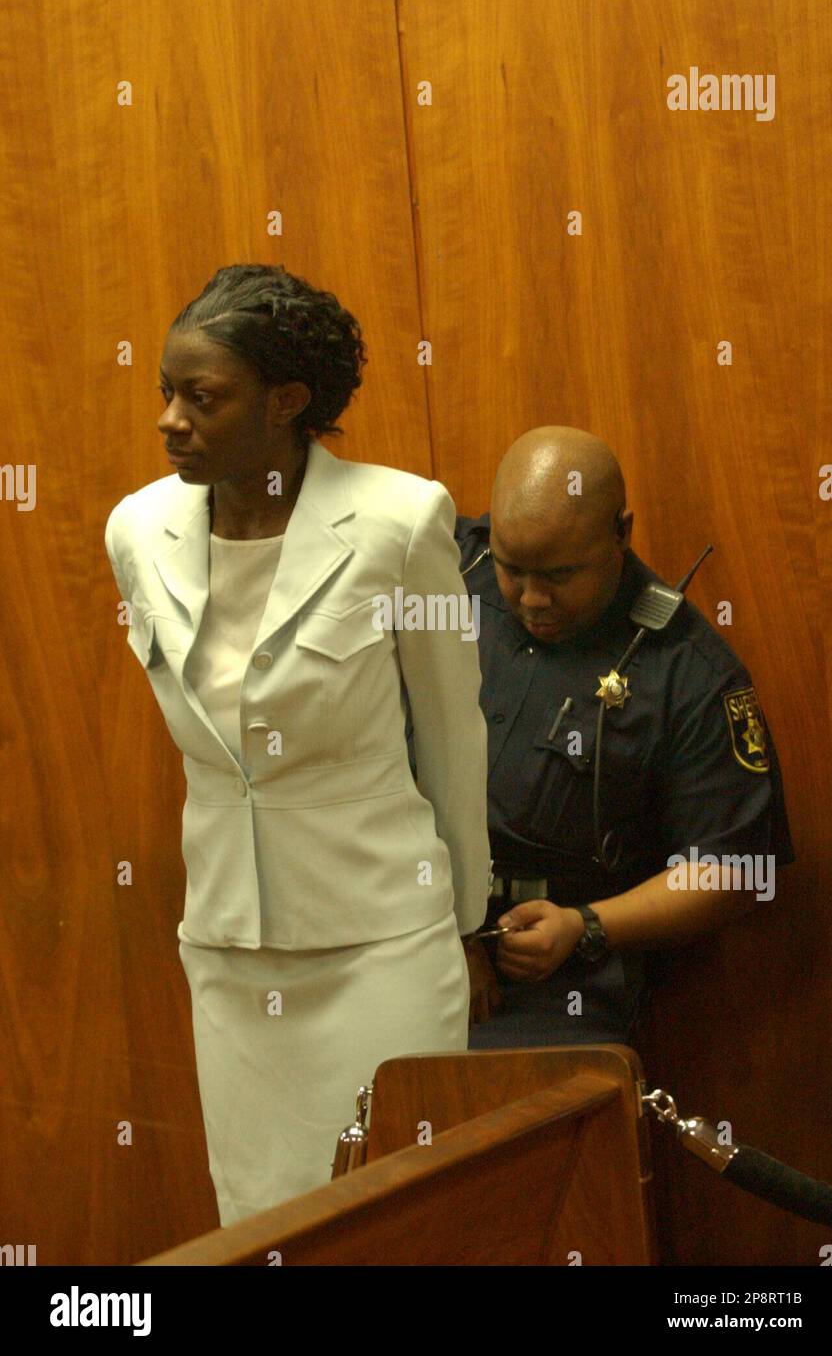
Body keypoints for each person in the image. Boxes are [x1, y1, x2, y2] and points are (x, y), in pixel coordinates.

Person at [104, 263, 490, 1224]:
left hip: (381, 938)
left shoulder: (402, 520)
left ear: (286, 401)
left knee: (396, 1208)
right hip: (232, 946)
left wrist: (467, 918)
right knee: (261, 1217)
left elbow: (452, 730)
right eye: (166, 392)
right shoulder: (137, 530)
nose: (170, 420)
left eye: (202, 397)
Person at [456, 426, 794, 1048]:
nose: (531, 599)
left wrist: (585, 926)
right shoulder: (453, 571)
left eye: (559, 575)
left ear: (621, 532)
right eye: (513, 568)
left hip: (557, 977)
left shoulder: (688, 670)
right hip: (407, 928)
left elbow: (735, 870)